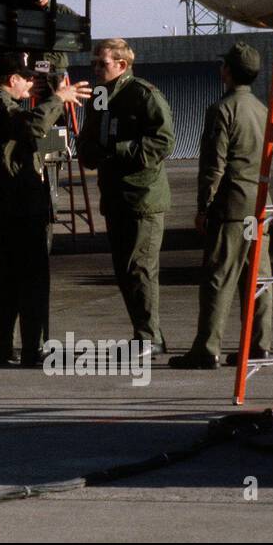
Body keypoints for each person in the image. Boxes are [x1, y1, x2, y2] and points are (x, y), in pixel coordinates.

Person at [0, 52, 92, 366]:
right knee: (33, 279)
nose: (30, 84)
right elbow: (33, 127)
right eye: (26, 79)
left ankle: (1, 348)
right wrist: (58, 99)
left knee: (6, 279)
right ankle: (33, 350)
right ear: (12, 80)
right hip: (19, 203)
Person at [171, 42, 273, 369]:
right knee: (257, 278)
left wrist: (204, 206)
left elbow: (214, 165)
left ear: (227, 71)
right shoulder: (262, 110)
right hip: (260, 205)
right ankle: (259, 345)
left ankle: (207, 347)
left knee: (219, 277)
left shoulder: (222, 109)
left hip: (231, 207)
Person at [76, 38, 174, 354]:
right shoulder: (100, 97)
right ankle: (147, 333)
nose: (95, 69)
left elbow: (162, 142)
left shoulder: (142, 95)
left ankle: (148, 338)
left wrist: (117, 150)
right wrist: (89, 151)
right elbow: (90, 140)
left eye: (101, 63)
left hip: (142, 196)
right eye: (93, 63)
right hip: (115, 196)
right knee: (124, 269)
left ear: (122, 64)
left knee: (140, 268)